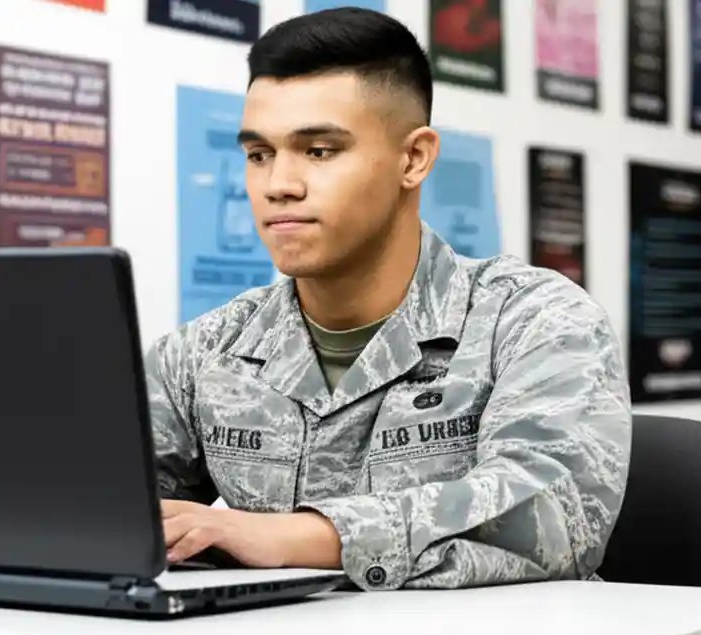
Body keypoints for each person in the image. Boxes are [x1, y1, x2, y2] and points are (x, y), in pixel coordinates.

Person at [144, 7, 632, 591]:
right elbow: (95, 510)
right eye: (260, 154)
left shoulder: (534, 320)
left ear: (414, 158)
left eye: (319, 151)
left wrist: (291, 539)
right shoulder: (207, 352)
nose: (278, 184)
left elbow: (553, 519)